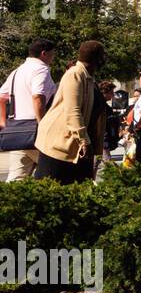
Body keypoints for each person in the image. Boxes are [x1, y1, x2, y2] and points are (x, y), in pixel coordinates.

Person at [33, 41, 107, 185]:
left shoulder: (88, 78)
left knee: (79, 190)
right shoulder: (74, 74)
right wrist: (84, 140)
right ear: (97, 59)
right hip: (57, 144)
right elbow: (73, 110)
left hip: (75, 145)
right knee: (50, 190)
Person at [0, 38, 57, 181]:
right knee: (54, 173)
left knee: (16, 177)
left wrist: (3, 122)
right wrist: (43, 124)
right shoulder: (41, 69)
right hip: (36, 131)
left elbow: (1, 97)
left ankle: (9, 202)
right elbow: (38, 96)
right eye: (52, 54)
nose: (53, 58)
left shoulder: (17, 71)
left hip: (17, 132)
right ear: (44, 53)